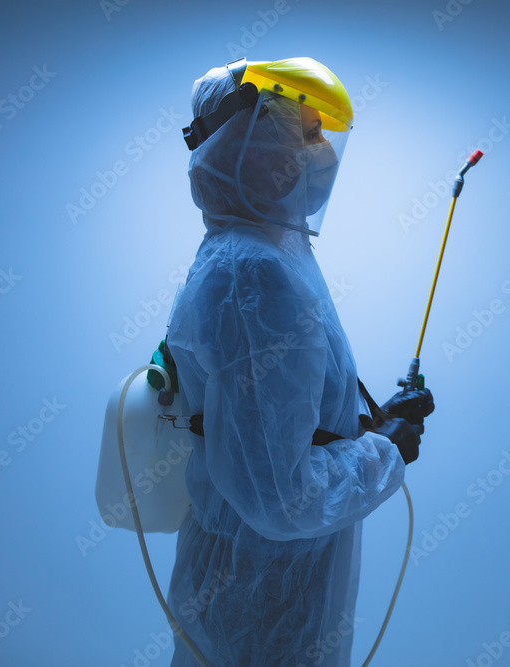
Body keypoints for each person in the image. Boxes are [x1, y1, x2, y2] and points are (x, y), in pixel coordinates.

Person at [164, 57, 434, 666]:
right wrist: (384, 449)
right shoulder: (253, 273)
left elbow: (268, 428)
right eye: (305, 132)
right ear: (246, 140)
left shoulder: (262, 253)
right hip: (260, 603)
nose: (323, 152)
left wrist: (364, 424)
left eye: (322, 133)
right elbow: (278, 496)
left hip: (255, 590)